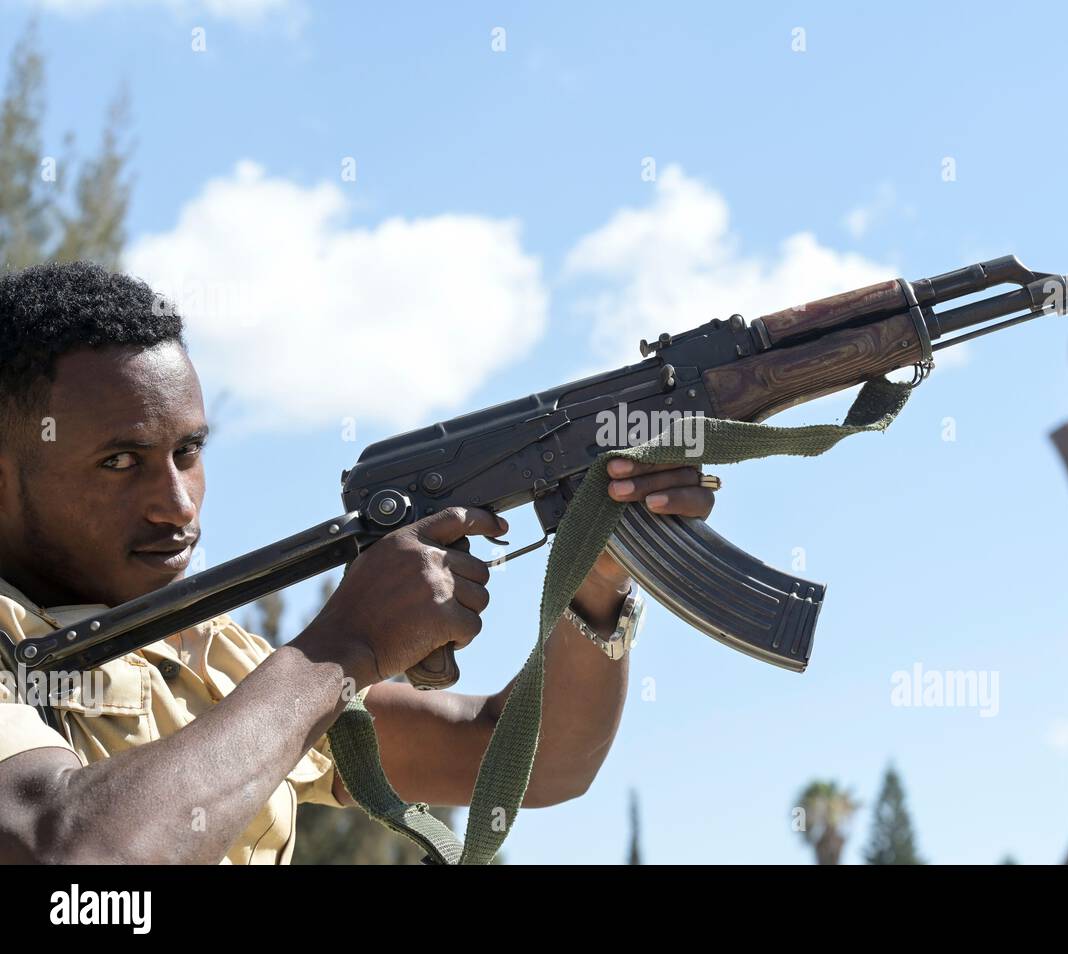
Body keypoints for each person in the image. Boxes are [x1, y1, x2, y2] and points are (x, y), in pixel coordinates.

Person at [0, 262, 715, 864]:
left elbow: (534, 759)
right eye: (120, 462)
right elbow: (70, 860)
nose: (178, 505)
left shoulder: (206, 659)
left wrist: (596, 580)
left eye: (188, 453)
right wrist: (344, 646)